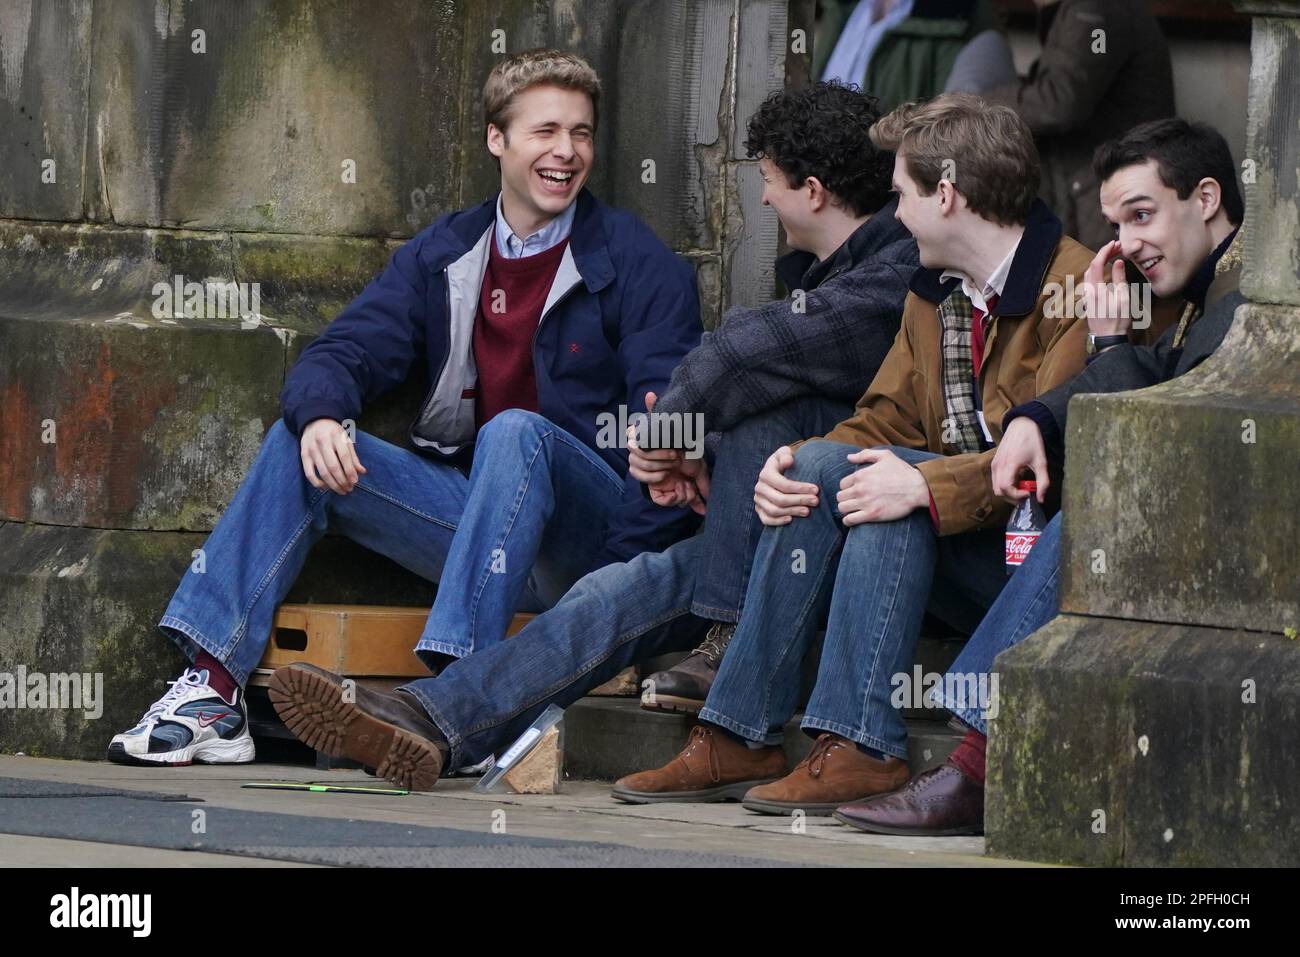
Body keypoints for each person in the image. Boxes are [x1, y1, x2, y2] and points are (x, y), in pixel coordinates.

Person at [264, 81, 920, 791]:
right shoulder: (832, 274)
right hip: (752, 534)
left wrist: (668, 433)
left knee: (620, 545)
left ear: (813, 190)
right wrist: (704, 454)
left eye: (766, 181)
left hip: (858, 541)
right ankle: (429, 718)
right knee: (607, 595)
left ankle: (726, 658)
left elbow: (743, 354)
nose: (761, 200)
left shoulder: (900, 276)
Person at [107, 48, 701, 767]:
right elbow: (342, 352)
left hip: (594, 540)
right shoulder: (444, 253)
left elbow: (671, 427)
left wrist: (608, 600)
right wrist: (323, 415)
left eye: (581, 133)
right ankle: (213, 689)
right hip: (485, 522)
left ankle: (461, 696)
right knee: (301, 441)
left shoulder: (639, 261)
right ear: (497, 139)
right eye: (545, 131)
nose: (566, 151)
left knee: (516, 433)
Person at [613, 93, 1096, 816]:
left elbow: (1045, 467)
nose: (894, 217)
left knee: (894, 493)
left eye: (901, 194)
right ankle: (740, 733)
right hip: (954, 544)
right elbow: (880, 419)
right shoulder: (932, 293)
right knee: (847, 472)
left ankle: (861, 743)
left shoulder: (1077, 288)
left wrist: (925, 486)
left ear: (947, 194)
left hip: (1028, 566)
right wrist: (797, 460)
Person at [834, 117, 1246, 836]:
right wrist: (1044, 412)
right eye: (1117, 222)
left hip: (1218, 577)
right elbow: (1152, 383)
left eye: (1142, 214)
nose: (1129, 244)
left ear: (1206, 197)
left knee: (1083, 522)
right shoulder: (1206, 292)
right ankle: (841, 739)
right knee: (875, 489)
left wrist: (1103, 347)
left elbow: (1173, 430)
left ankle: (973, 764)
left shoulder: (1249, 300)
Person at [947, 0, 1175, 249]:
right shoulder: (1086, 11)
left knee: (1108, 283)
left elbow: (1062, 103)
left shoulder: (1096, 10)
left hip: (1110, 199)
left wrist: (976, 103)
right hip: (1103, 196)